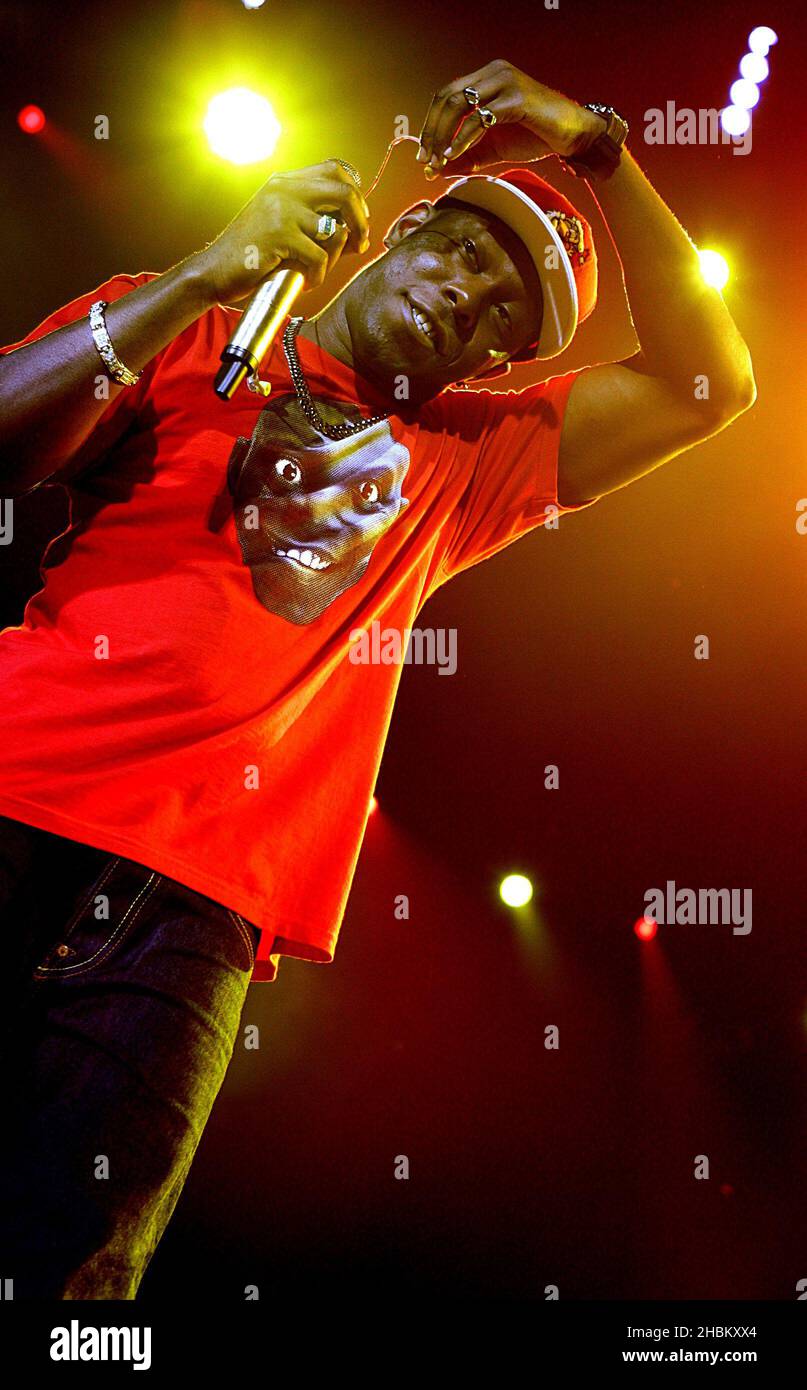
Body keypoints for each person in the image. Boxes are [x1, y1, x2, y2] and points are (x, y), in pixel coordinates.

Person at [0, 62, 755, 1299]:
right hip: (15, 782)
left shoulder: (471, 459)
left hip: (194, 905)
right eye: (468, 254)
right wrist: (202, 271)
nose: (475, 300)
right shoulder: (187, 321)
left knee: (79, 1282)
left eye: (508, 316)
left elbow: (710, 384)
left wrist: (599, 153)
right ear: (401, 233)